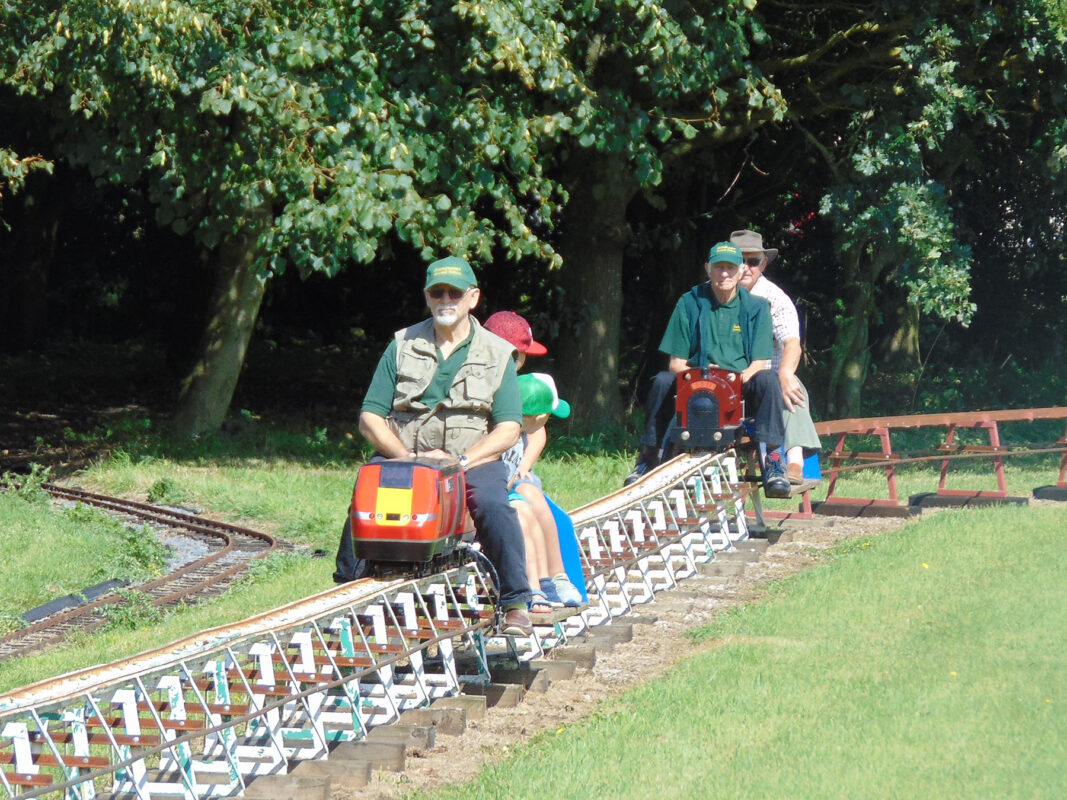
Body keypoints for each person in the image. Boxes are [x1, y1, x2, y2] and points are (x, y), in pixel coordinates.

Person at [334, 256, 534, 636]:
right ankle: (348, 590)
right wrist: (407, 459)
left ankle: (515, 602)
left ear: (472, 298)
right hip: (406, 456)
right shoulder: (401, 344)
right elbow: (370, 417)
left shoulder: (497, 352)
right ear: (427, 297)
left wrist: (462, 461)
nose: (446, 299)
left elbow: (508, 428)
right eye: (437, 292)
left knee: (494, 506)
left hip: (470, 459)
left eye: (455, 292)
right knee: (368, 500)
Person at [626, 241, 791, 498]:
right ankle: (649, 456)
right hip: (695, 381)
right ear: (708, 269)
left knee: (769, 380)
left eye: (729, 268)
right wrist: (705, 377)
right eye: (718, 267)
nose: (724, 273)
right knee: (661, 380)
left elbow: (759, 362)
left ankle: (773, 460)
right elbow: (676, 362)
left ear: (739, 272)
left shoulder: (757, 307)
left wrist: (731, 382)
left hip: (740, 383)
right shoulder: (689, 302)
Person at [483, 311, 585, 611]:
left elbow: (538, 432)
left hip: (513, 475)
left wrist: (524, 466)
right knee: (524, 505)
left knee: (531, 492)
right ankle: (540, 583)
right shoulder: (481, 392)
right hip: (492, 482)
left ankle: (557, 575)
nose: (521, 362)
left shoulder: (520, 388)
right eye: (519, 355)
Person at [731, 229, 822, 485]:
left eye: (753, 261)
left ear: (763, 263)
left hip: (766, 377)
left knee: (789, 387)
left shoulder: (776, 299)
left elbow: (792, 342)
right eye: (740, 260)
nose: (746, 268)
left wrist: (785, 373)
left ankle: (794, 459)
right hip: (729, 380)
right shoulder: (714, 296)